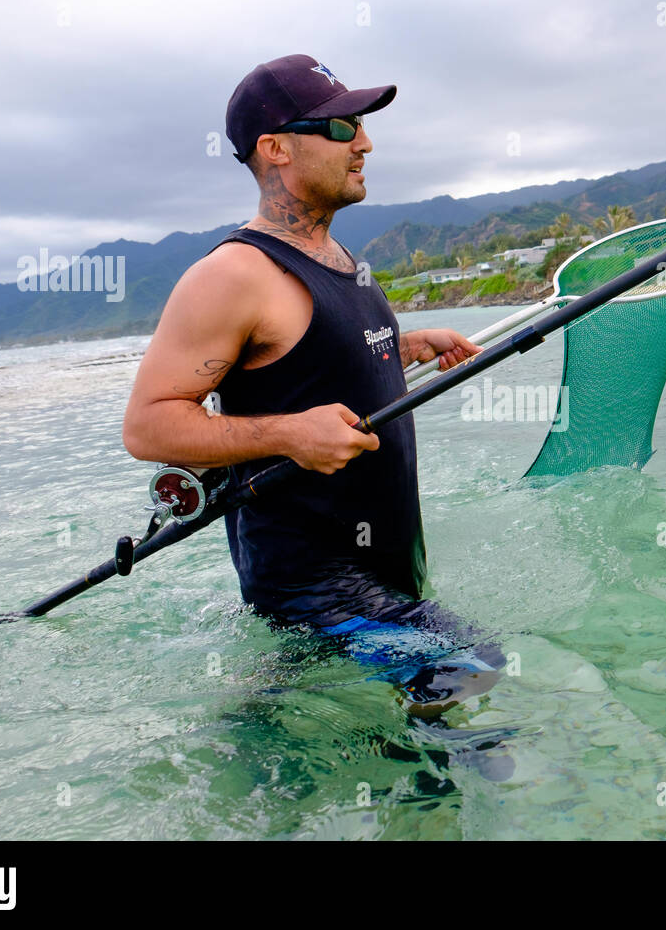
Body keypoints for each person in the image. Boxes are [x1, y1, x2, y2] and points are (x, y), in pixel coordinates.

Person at [123, 55, 503, 716]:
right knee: (472, 667)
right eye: (340, 128)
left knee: (409, 747)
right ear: (275, 149)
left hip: (382, 569)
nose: (365, 143)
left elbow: (315, 364)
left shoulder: (335, 257)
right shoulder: (234, 275)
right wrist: (290, 434)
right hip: (316, 587)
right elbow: (148, 424)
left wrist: (408, 344)